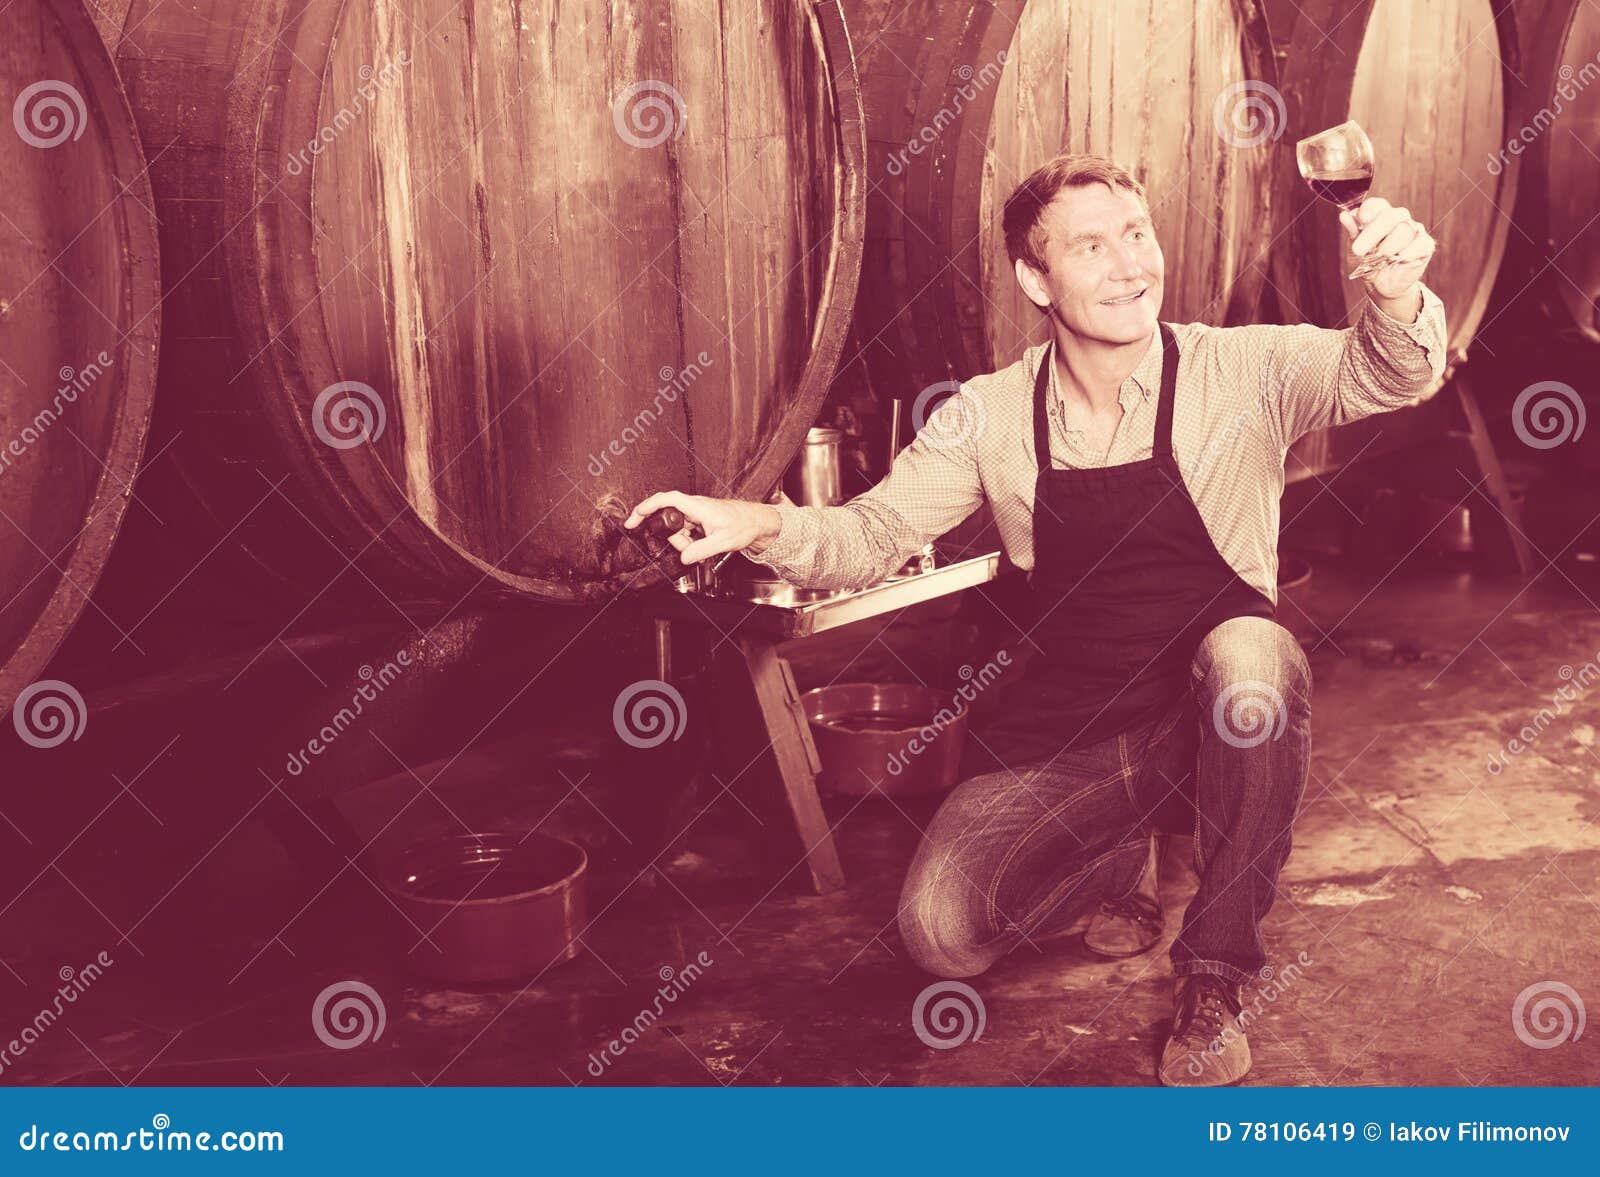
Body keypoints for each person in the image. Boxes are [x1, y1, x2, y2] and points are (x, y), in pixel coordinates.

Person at [626, 153, 1444, 1085]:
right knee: (940, 936)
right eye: (1090, 247)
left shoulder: (1243, 368)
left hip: (1207, 707)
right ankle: (1116, 857)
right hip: (1072, 728)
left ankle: (1215, 977)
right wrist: (753, 521)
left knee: (1252, 658)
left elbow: (1390, 374)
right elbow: (875, 531)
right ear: (1033, 278)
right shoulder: (987, 413)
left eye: (1136, 234)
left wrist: (1396, 296)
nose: (1128, 264)